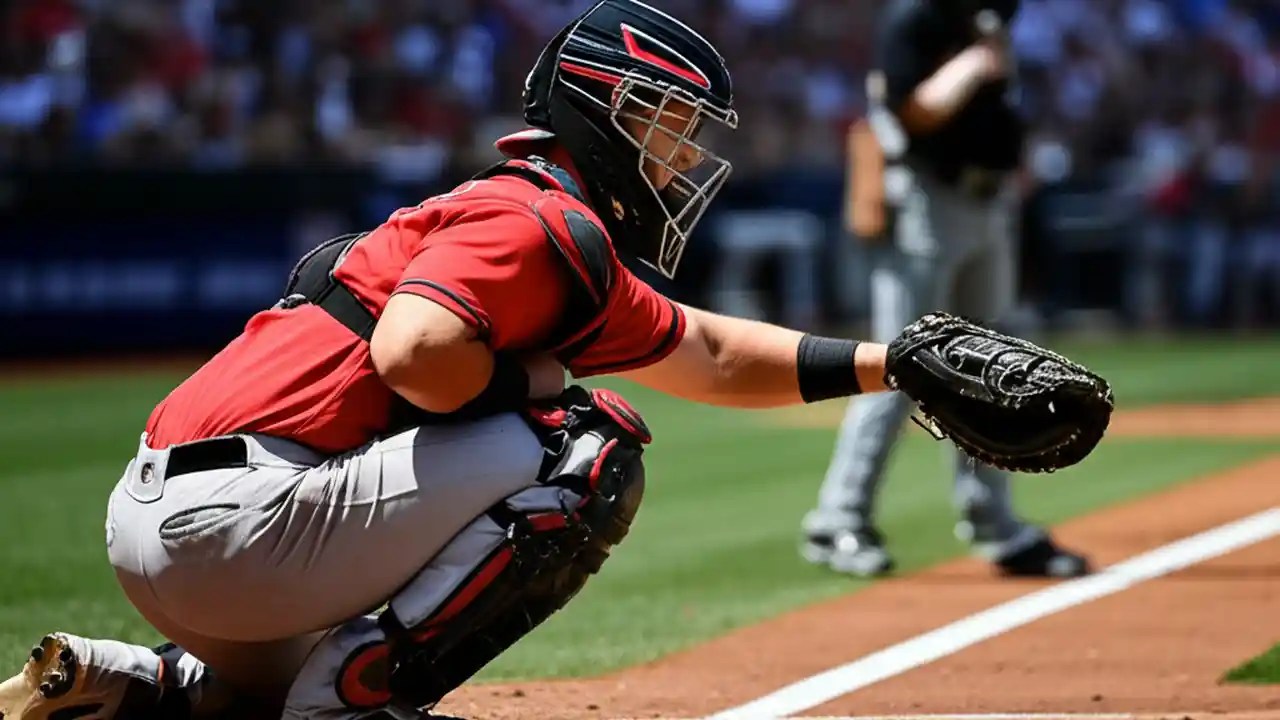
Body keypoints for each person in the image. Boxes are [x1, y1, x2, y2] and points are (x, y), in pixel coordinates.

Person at [0, 2, 1096, 719]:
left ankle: (128, 689)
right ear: (600, 113)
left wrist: (886, 363)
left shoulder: (535, 220)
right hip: (240, 523)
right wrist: (528, 385)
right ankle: (356, 709)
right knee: (585, 447)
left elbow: (706, 350)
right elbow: (416, 351)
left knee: (239, 706)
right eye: (665, 123)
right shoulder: (537, 223)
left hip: (180, 520)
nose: (681, 155)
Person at [799, 0, 1091, 579]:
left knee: (994, 367)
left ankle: (995, 524)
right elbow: (913, 112)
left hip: (987, 202)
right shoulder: (919, 18)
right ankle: (838, 519)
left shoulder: (983, 21)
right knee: (898, 362)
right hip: (928, 204)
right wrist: (974, 64)